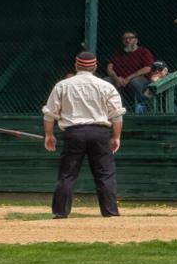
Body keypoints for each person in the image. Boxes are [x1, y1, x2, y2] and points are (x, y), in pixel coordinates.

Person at [42, 50, 125, 218]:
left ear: (76, 65)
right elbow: (116, 115)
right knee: (105, 173)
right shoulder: (106, 86)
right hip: (100, 133)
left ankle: (60, 212)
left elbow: (49, 114)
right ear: (94, 66)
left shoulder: (63, 85)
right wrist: (116, 137)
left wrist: (49, 135)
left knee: (68, 174)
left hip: (74, 133)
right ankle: (110, 212)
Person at [106, 31, 156, 103]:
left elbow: (147, 68)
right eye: (125, 38)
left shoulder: (143, 51)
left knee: (134, 81)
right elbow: (109, 68)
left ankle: (144, 102)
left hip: (139, 80)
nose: (127, 40)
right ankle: (122, 105)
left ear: (136, 40)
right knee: (106, 81)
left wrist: (128, 78)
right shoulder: (118, 53)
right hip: (120, 79)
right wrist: (116, 78)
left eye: (130, 38)